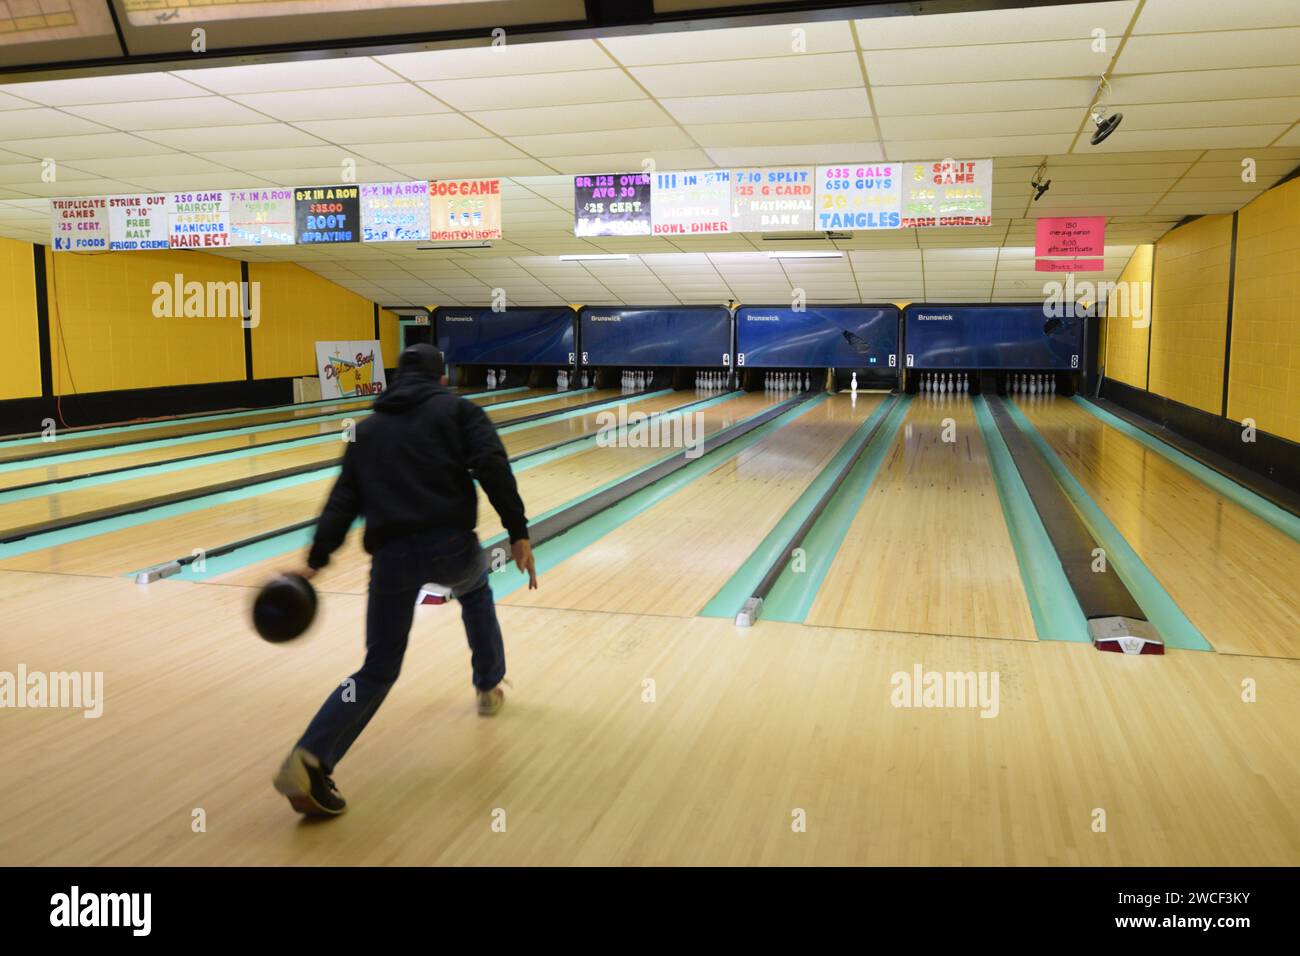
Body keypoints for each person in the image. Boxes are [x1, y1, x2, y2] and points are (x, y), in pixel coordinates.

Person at [272, 344, 537, 818]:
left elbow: (342, 500)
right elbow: (493, 467)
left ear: (395, 382)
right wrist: (518, 532)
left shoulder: (367, 429)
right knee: (475, 592)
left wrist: (314, 560)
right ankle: (488, 686)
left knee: (378, 668)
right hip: (452, 547)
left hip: (391, 557)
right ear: (442, 380)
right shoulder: (460, 411)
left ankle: (310, 757)